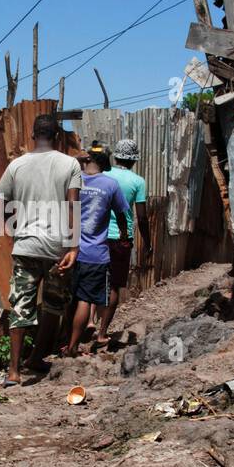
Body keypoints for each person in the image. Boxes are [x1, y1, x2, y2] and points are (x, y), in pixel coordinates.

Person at [0, 113, 81, 386]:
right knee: (53, 306)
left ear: (33, 135)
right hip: (57, 248)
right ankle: (38, 358)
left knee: (20, 307)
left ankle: (13, 372)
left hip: (26, 246)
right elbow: (72, 206)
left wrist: (13, 230)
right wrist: (74, 247)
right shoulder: (70, 164)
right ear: (57, 136)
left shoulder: (16, 166)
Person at [65, 144, 128, 357]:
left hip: (68, 251)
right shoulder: (110, 184)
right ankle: (73, 346)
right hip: (95, 253)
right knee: (85, 299)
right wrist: (124, 234)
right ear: (105, 162)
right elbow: (121, 214)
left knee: (69, 299)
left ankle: (63, 341)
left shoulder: (75, 181)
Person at [97, 138, 151, 344]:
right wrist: (147, 241)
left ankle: (92, 323)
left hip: (97, 236)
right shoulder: (137, 181)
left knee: (95, 280)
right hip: (121, 239)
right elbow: (142, 216)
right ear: (134, 160)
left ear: (116, 156)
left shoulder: (103, 175)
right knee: (114, 287)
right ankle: (102, 332)